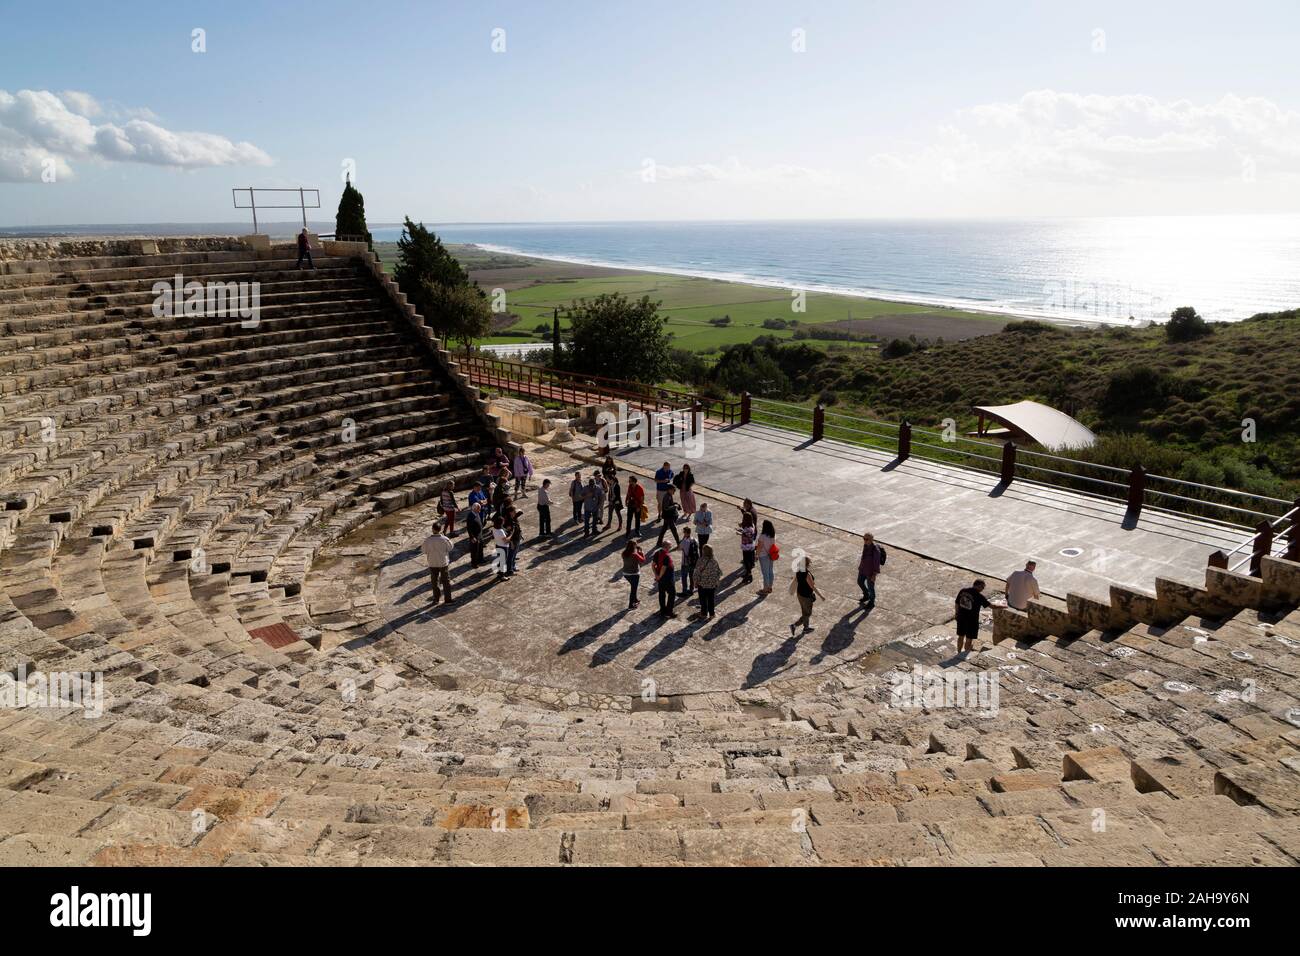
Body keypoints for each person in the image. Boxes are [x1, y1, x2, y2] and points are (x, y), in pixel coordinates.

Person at [789, 553, 825, 636]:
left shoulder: (798, 570)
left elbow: (797, 580)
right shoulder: (807, 574)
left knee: (804, 611)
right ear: (807, 564)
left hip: (800, 594)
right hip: (806, 596)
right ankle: (794, 625)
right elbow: (812, 586)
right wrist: (821, 596)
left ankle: (806, 628)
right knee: (807, 614)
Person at [955, 579, 993, 653]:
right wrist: (1003, 606)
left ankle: (959, 652)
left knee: (961, 636)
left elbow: (957, 603)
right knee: (969, 639)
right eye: (982, 587)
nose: (983, 589)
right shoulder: (979, 596)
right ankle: (964, 654)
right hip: (972, 621)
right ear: (977, 586)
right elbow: (992, 606)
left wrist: (957, 614)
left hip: (961, 617)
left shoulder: (963, 591)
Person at [421, 522, 453, 604]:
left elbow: (423, 551)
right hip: (443, 563)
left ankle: (436, 599)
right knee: (446, 581)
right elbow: (450, 548)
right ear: (440, 529)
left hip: (432, 563)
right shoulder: (445, 539)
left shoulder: (427, 540)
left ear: (432, 529)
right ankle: (448, 600)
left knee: (434, 582)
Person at [857, 532, 887, 609]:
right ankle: (866, 595)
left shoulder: (875, 550)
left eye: (867, 539)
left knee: (871, 587)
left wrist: (874, 575)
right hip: (863, 569)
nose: (865, 541)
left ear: (871, 540)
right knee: (859, 582)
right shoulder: (866, 545)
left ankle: (871, 602)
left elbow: (876, 564)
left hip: (870, 572)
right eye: (864, 539)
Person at [694, 544, 721, 620]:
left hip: (702, 584)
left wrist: (695, 582)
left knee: (703, 600)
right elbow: (719, 572)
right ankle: (712, 614)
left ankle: (703, 614)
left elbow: (696, 573)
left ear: (704, 551)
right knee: (711, 599)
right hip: (712, 584)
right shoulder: (714, 560)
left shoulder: (700, 560)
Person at [652, 544, 677, 618]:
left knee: (662, 594)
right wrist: (659, 576)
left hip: (660, 580)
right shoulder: (666, 556)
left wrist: (656, 575)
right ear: (666, 547)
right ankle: (669, 612)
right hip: (667, 579)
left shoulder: (657, 553)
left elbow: (653, 565)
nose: (670, 548)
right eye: (670, 547)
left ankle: (663, 610)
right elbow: (663, 568)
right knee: (672, 594)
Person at [622, 540, 647, 609]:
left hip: (625, 573)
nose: (637, 546)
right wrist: (641, 553)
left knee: (633, 586)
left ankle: (635, 599)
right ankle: (631, 605)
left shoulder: (624, 553)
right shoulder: (635, 554)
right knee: (633, 589)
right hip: (634, 574)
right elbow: (643, 560)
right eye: (636, 545)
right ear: (633, 546)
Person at [755, 519, 777, 595]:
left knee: (765, 573)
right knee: (770, 571)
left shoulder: (762, 536)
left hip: (763, 556)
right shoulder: (773, 535)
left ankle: (765, 589)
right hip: (771, 555)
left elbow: (760, 547)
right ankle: (770, 587)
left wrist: (756, 555)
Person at [737, 512, 757, 585]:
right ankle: (747, 574)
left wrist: (740, 533)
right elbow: (746, 532)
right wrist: (741, 530)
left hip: (747, 546)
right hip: (750, 545)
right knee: (748, 560)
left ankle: (749, 575)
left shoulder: (749, 528)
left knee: (746, 561)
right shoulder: (751, 526)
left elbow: (747, 535)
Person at [678, 526, 698, 597]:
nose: (683, 533)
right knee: (691, 576)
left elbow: (679, 548)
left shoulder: (685, 541)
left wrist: (683, 539)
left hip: (685, 562)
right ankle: (691, 590)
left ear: (686, 533)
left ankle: (684, 591)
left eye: (683, 532)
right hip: (693, 562)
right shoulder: (695, 540)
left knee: (684, 577)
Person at [504, 505, 523, 576]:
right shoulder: (508, 522)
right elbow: (508, 534)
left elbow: (520, 512)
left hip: (517, 538)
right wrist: (511, 542)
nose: (515, 512)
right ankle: (509, 570)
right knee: (510, 556)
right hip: (513, 541)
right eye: (514, 511)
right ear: (510, 512)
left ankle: (513, 566)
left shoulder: (513, 517)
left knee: (514, 555)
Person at [466, 502, 485, 567]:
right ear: (474, 509)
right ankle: (474, 563)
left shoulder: (477, 513)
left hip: (479, 534)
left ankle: (481, 559)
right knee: (474, 550)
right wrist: (472, 537)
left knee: (480, 548)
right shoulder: (470, 516)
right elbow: (469, 528)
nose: (480, 510)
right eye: (478, 509)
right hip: (475, 536)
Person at [491, 515, 509, 580]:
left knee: (500, 560)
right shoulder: (500, 531)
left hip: (498, 545)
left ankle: (499, 572)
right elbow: (506, 540)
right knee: (503, 562)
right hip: (503, 547)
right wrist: (511, 535)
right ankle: (502, 576)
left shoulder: (494, 528)